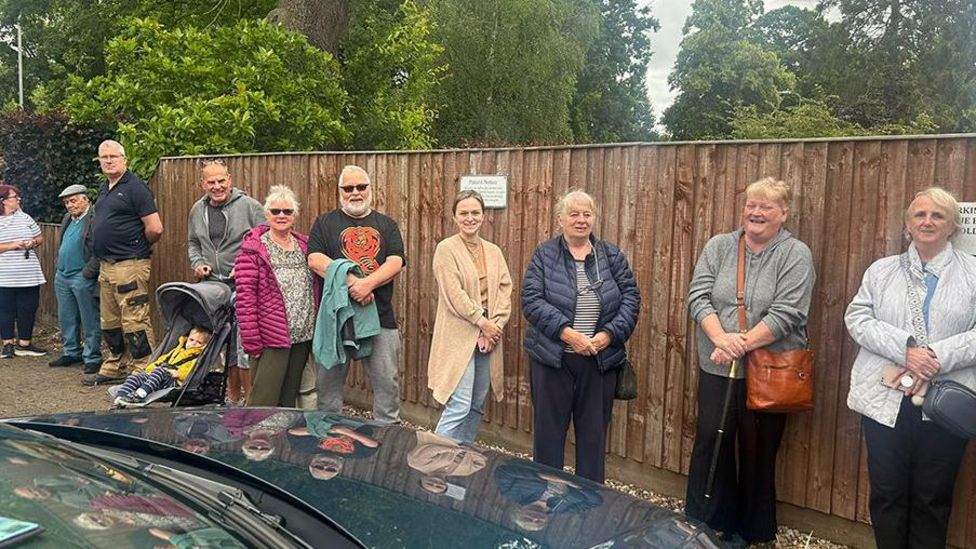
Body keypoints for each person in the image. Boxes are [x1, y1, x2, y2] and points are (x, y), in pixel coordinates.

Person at [684, 177, 815, 546]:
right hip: (716, 364)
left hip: (769, 372)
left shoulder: (796, 255)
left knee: (758, 453)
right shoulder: (720, 246)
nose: (756, 212)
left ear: (783, 213)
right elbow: (698, 296)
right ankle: (708, 522)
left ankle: (753, 532)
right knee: (711, 442)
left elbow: (787, 313)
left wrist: (737, 345)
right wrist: (719, 338)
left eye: (766, 206)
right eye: (751, 205)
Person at [846, 187, 976, 549]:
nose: (927, 221)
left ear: (952, 226)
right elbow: (857, 318)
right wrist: (906, 350)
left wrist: (934, 355)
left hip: (945, 406)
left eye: (937, 215)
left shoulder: (973, 273)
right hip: (886, 399)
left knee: (932, 498)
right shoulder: (882, 271)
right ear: (908, 225)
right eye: (920, 215)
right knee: (887, 493)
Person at [521, 189, 640, 484]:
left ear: (594, 218)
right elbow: (531, 300)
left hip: (600, 362)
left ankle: (590, 507)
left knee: (593, 439)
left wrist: (608, 336)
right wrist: (567, 334)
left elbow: (631, 299)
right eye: (573, 214)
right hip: (553, 359)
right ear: (560, 219)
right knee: (548, 437)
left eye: (587, 214)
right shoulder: (544, 254)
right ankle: (546, 500)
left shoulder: (611, 255)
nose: (581, 220)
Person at [307, 165, 405, 425]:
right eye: (348, 188)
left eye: (361, 187)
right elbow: (315, 259)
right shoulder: (324, 223)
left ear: (370, 189)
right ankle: (328, 450)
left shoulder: (386, 224)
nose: (355, 192)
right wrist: (351, 281)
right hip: (335, 319)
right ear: (340, 191)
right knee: (327, 393)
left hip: (380, 318)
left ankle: (386, 445)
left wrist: (368, 284)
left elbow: (396, 262)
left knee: (388, 388)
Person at [428, 190, 512, 444]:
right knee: (460, 403)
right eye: (463, 213)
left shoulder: (494, 251)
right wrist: (482, 323)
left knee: (476, 403)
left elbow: (505, 289)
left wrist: (494, 326)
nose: (470, 218)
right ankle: (434, 464)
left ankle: (461, 462)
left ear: (483, 216)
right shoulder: (446, 250)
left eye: (475, 212)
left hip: (488, 336)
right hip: (459, 333)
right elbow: (454, 295)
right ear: (454, 217)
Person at [85, 139, 164, 386]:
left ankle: (142, 369)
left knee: (135, 319)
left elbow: (155, 228)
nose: (108, 161)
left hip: (130, 264)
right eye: (104, 157)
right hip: (106, 266)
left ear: (124, 160)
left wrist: (136, 247)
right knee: (109, 320)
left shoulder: (136, 188)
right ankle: (115, 364)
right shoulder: (104, 187)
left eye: (113, 156)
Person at [187, 159, 264, 405]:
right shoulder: (197, 210)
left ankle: (251, 399)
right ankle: (231, 397)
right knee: (222, 343)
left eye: (222, 181)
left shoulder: (250, 207)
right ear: (202, 184)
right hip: (212, 286)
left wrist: (245, 265)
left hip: (244, 285)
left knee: (242, 344)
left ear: (230, 179)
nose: (217, 186)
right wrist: (197, 262)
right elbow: (193, 243)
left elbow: (265, 241)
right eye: (211, 182)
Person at [235, 185, 316, 407]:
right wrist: (252, 342)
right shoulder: (253, 250)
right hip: (271, 337)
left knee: (289, 401)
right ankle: (256, 442)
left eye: (287, 211)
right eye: (276, 211)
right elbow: (245, 301)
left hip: (302, 335)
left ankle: (283, 441)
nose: (281, 216)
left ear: (295, 215)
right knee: (264, 401)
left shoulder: (306, 246)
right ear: (266, 214)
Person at [49, 184, 102, 371]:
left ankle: (92, 357)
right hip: (63, 276)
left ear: (85, 199)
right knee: (67, 317)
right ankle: (71, 352)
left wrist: (88, 272)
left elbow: (100, 248)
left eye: (73, 201)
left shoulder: (95, 218)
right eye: (66, 202)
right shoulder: (67, 219)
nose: (70, 205)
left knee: (89, 318)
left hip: (82, 275)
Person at [0, 184, 47, 359]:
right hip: (4, 275)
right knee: (5, 309)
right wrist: (13, 245)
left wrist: (32, 243)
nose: (18, 200)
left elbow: (40, 237)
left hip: (28, 274)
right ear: (3, 201)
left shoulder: (25, 218)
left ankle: (25, 343)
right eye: (14, 197)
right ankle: (7, 345)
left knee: (27, 308)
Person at [112, 326, 211, 407]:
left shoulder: (198, 357)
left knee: (160, 371)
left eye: (199, 342)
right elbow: (163, 359)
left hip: (174, 381)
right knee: (135, 377)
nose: (193, 343)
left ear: (205, 345)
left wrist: (179, 373)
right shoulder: (178, 349)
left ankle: (139, 395)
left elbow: (193, 371)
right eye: (191, 339)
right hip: (159, 376)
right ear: (187, 338)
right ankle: (120, 398)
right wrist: (150, 368)